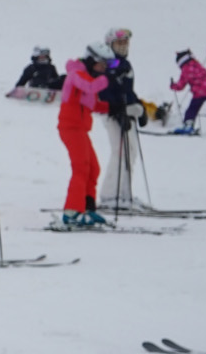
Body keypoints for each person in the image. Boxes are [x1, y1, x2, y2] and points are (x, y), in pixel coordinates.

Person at [57, 47, 112, 229]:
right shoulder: (76, 74)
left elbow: (93, 104)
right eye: (100, 65)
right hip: (70, 127)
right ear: (90, 61)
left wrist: (115, 107)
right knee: (81, 168)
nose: (102, 70)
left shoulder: (89, 77)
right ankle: (72, 211)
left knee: (93, 168)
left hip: (80, 129)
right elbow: (90, 86)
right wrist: (109, 77)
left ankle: (87, 208)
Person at [101, 27, 145, 209]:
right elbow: (107, 90)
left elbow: (127, 90)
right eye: (119, 43)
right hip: (113, 113)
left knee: (131, 152)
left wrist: (138, 106)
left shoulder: (125, 64)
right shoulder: (109, 63)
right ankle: (110, 195)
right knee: (120, 152)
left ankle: (125, 194)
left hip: (127, 112)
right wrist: (119, 111)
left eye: (125, 43)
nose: (123, 46)